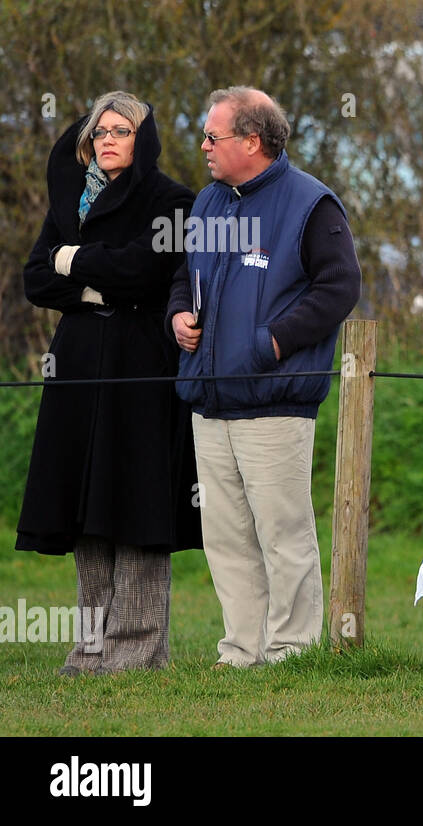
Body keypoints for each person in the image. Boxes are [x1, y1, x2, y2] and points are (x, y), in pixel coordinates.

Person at [167, 87, 361, 669]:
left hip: (274, 401)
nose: (203, 145)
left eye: (212, 135)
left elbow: (339, 287)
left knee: (283, 534)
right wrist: (177, 313)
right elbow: (185, 276)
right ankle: (241, 650)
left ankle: (291, 651)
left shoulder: (311, 203)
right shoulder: (206, 202)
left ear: (251, 141)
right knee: (225, 538)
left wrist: (271, 341)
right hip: (210, 396)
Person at [18, 90, 200, 675]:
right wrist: (95, 278)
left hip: (141, 364)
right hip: (75, 365)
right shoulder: (71, 197)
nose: (107, 140)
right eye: (100, 131)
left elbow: (146, 269)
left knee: (137, 505)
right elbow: (36, 279)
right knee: (87, 511)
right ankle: (90, 651)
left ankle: (137, 653)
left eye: (120, 131)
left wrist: (75, 261)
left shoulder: (173, 199)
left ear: (141, 139)